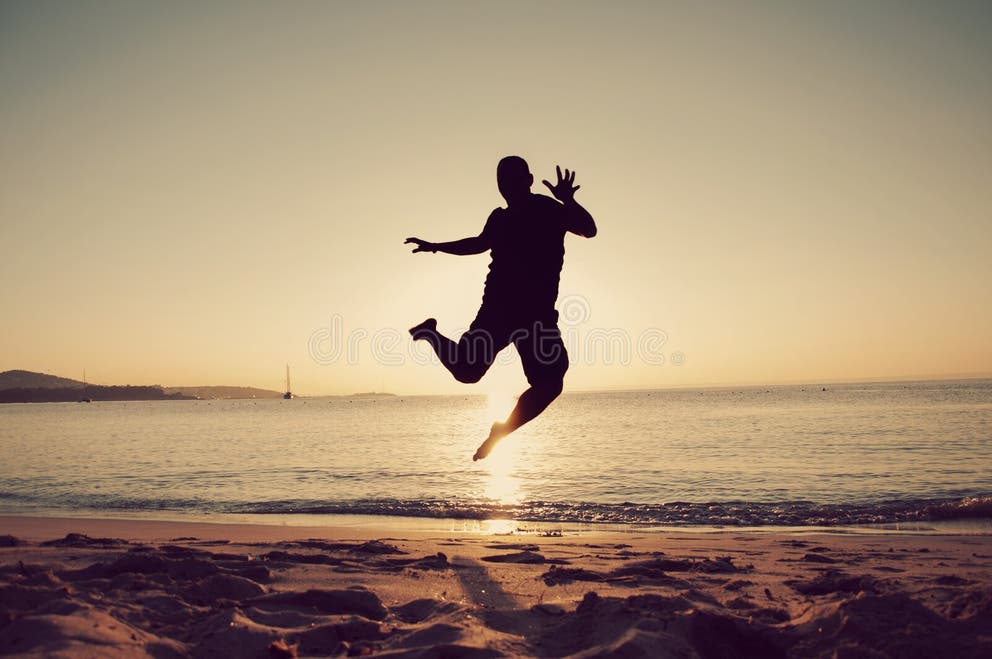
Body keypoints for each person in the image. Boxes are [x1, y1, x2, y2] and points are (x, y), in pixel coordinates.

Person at [405, 156, 597, 461]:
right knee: (468, 372)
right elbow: (478, 243)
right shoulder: (500, 218)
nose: (505, 186)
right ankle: (430, 333)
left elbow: (589, 229)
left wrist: (569, 201)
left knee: (550, 383)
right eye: (500, 181)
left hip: (537, 315)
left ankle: (502, 431)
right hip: (499, 309)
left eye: (511, 179)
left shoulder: (550, 210)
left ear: (529, 180)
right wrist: (438, 246)